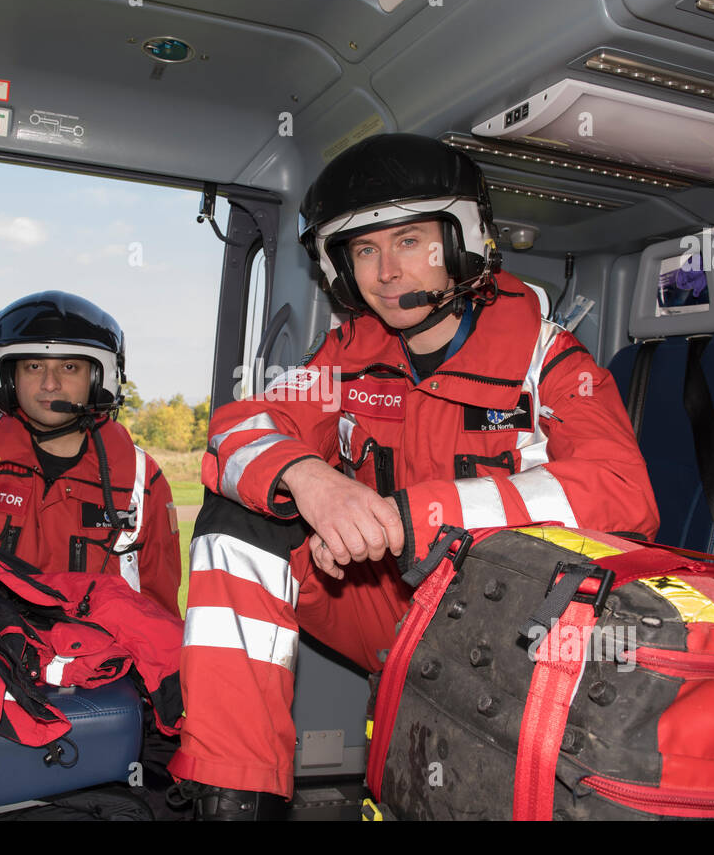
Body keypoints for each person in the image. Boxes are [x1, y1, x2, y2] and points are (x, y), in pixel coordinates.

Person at [168, 133, 660, 818]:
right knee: (238, 517)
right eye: (364, 250)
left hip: (505, 625)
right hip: (379, 604)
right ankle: (236, 795)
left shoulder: (546, 361)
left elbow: (623, 493)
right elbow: (237, 431)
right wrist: (310, 475)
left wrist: (411, 516)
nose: (386, 271)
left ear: (462, 240)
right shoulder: (348, 357)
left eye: (408, 242)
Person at [0, 291, 182, 618]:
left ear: (99, 377)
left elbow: (158, 613)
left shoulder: (139, 477)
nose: (49, 384)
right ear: (9, 377)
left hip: (98, 666)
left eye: (69, 367)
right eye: (34, 365)